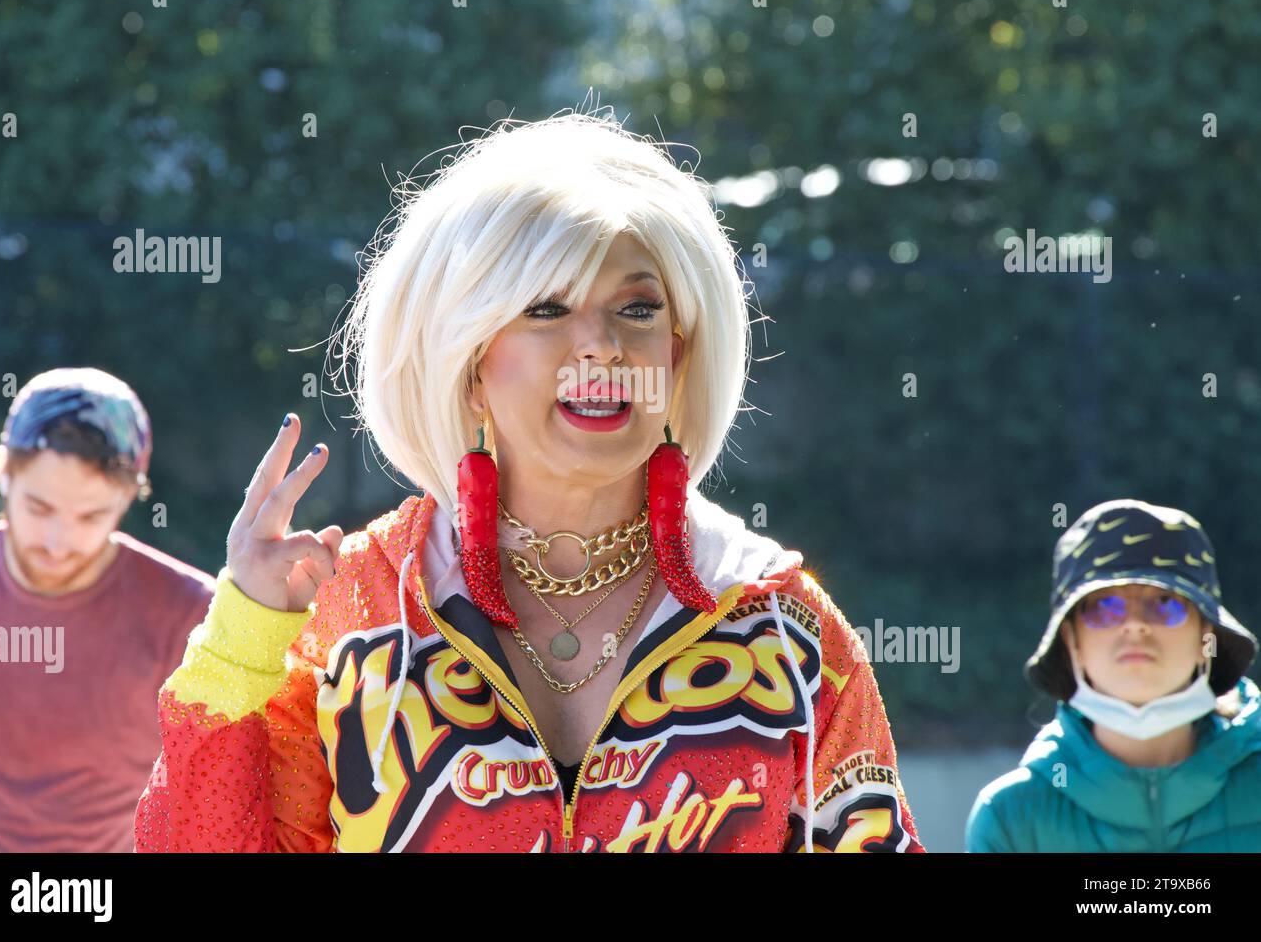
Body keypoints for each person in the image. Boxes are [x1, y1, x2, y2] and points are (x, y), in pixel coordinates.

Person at [134, 110, 925, 853]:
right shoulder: (351, 618)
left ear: (677, 360)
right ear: (470, 365)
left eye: (638, 309)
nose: (603, 346)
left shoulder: (785, 628)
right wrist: (240, 640)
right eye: (547, 308)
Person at [0, 367, 214, 852]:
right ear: (6, 475)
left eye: (91, 517)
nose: (58, 543)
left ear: (126, 500)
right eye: (39, 508)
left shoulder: (189, 616)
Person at [966, 498, 1261, 852]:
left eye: (1166, 604)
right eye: (1105, 607)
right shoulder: (1010, 819)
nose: (1135, 625)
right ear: (1071, 641)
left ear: (1206, 637)